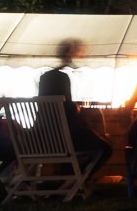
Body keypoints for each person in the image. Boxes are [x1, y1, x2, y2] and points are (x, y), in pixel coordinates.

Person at [37, 39, 113, 171]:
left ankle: (69, 180)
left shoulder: (44, 89)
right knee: (105, 149)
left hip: (43, 140)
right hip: (66, 140)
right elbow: (69, 110)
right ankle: (79, 180)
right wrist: (79, 110)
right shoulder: (62, 82)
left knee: (76, 148)